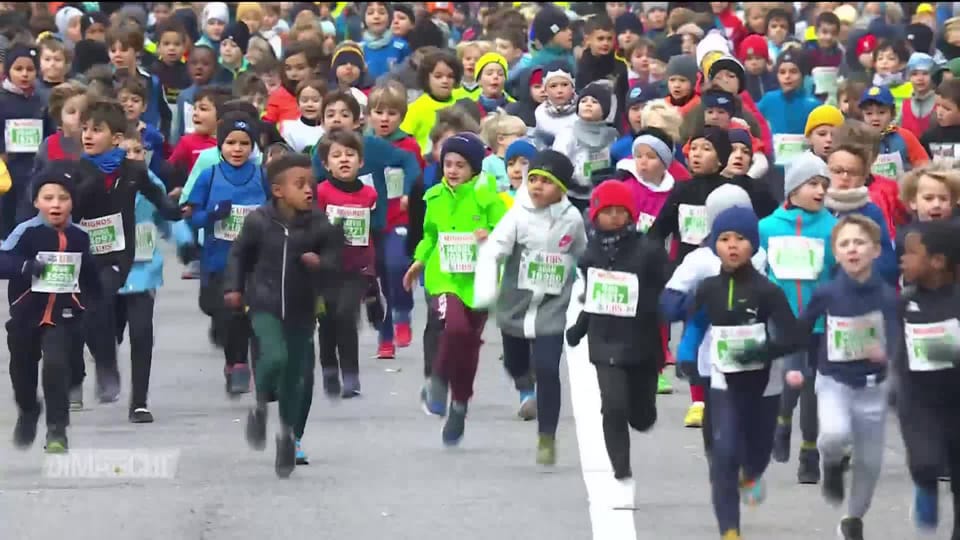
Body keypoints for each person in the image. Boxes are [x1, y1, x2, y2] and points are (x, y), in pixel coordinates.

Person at [738, 214, 900, 540]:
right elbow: (798, 332)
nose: (852, 249)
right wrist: (762, 352)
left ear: (875, 251)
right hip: (835, 382)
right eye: (845, 244)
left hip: (873, 389)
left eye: (860, 243)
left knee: (869, 465)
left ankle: (852, 519)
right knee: (833, 435)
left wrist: (889, 357)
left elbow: (898, 339)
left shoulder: (886, 297)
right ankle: (831, 463)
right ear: (835, 253)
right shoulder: (826, 293)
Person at [225, 153, 341, 478]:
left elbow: (336, 257)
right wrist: (233, 288)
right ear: (277, 190)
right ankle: (261, 406)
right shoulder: (259, 221)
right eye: (300, 185)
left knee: (298, 377)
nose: (309, 191)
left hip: (304, 309)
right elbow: (238, 255)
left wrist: (322, 263)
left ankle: (288, 434)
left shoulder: (319, 223)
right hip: (264, 304)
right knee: (274, 356)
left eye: (312, 185)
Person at [474, 149, 586, 464]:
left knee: (549, 369)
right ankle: (524, 383)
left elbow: (584, 255)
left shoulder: (572, 219)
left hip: (552, 307)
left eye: (546, 182)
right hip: (515, 306)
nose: (536, 186)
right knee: (515, 363)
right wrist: (485, 293)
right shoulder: (518, 214)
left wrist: (589, 290)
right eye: (532, 179)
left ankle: (547, 435)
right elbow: (495, 249)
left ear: (562, 188)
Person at [402, 132, 507, 445]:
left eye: (460, 165)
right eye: (447, 163)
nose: (452, 170)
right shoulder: (433, 197)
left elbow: (506, 233)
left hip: (479, 280)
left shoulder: (488, 197)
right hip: (444, 277)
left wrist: (487, 235)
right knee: (454, 328)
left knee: (469, 347)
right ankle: (437, 380)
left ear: (474, 168)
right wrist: (419, 261)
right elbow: (429, 237)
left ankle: (460, 403)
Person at [566, 179, 668, 480]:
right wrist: (580, 328)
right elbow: (596, 298)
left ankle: (644, 414)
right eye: (606, 211)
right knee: (612, 405)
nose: (613, 216)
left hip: (642, 340)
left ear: (631, 215)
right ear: (595, 215)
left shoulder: (648, 251)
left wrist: (657, 303)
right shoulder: (590, 255)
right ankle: (620, 466)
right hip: (605, 338)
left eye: (619, 211)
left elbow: (669, 284)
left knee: (641, 414)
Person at [1, 167, 101, 453]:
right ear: (36, 202)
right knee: (22, 372)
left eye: (63, 198)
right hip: (26, 314)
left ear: (72, 203)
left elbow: (91, 276)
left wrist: (96, 306)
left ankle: (57, 429)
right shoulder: (26, 231)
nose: (56, 204)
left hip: (63, 314)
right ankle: (29, 410)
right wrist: (24, 266)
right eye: (48, 198)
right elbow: (3, 260)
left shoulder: (80, 236)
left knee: (56, 367)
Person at [761, 152, 838, 484]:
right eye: (812, 184)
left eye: (824, 185)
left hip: (821, 321)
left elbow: (841, 271)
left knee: (813, 389)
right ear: (792, 190)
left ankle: (810, 454)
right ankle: (781, 421)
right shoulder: (766, 228)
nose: (820, 191)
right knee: (795, 378)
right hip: (784, 320)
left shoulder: (833, 227)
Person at [894, 220, 960, 539]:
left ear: (937, 261)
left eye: (910, 254)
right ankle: (925, 488)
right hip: (918, 398)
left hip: (955, 398)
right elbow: (896, 348)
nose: (902, 260)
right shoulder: (905, 302)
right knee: (925, 462)